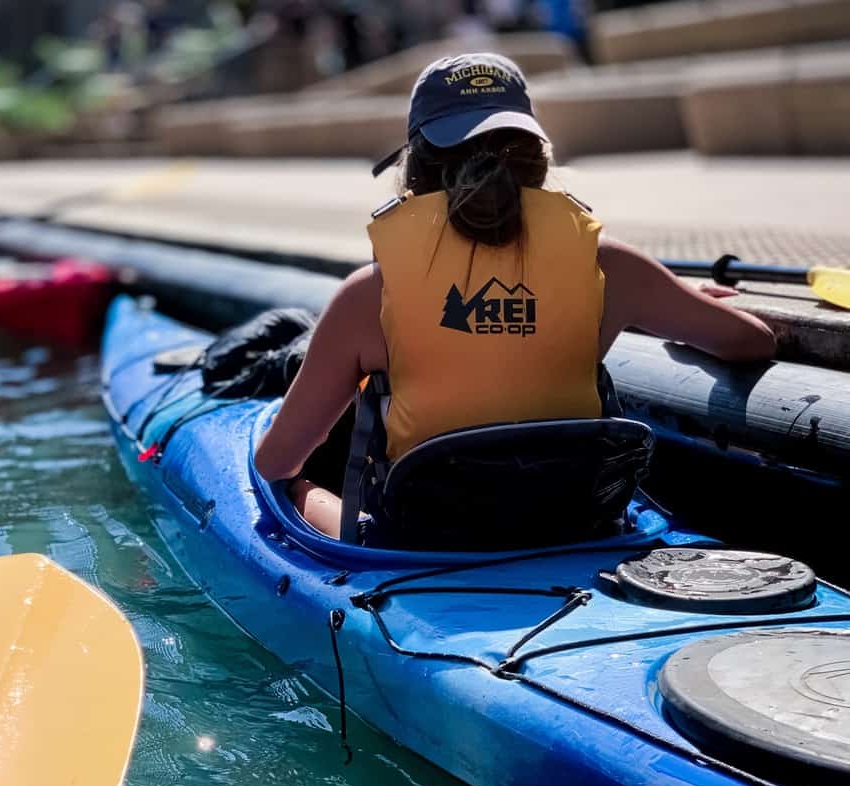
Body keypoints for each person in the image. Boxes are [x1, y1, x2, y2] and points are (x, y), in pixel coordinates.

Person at [253, 53, 775, 540]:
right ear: (539, 160)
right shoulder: (611, 268)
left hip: (427, 541)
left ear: (415, 165)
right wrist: (663, 300)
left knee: (292, 487)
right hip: (575, 524)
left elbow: (277, 462)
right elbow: (750, 342)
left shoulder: (369, 293)